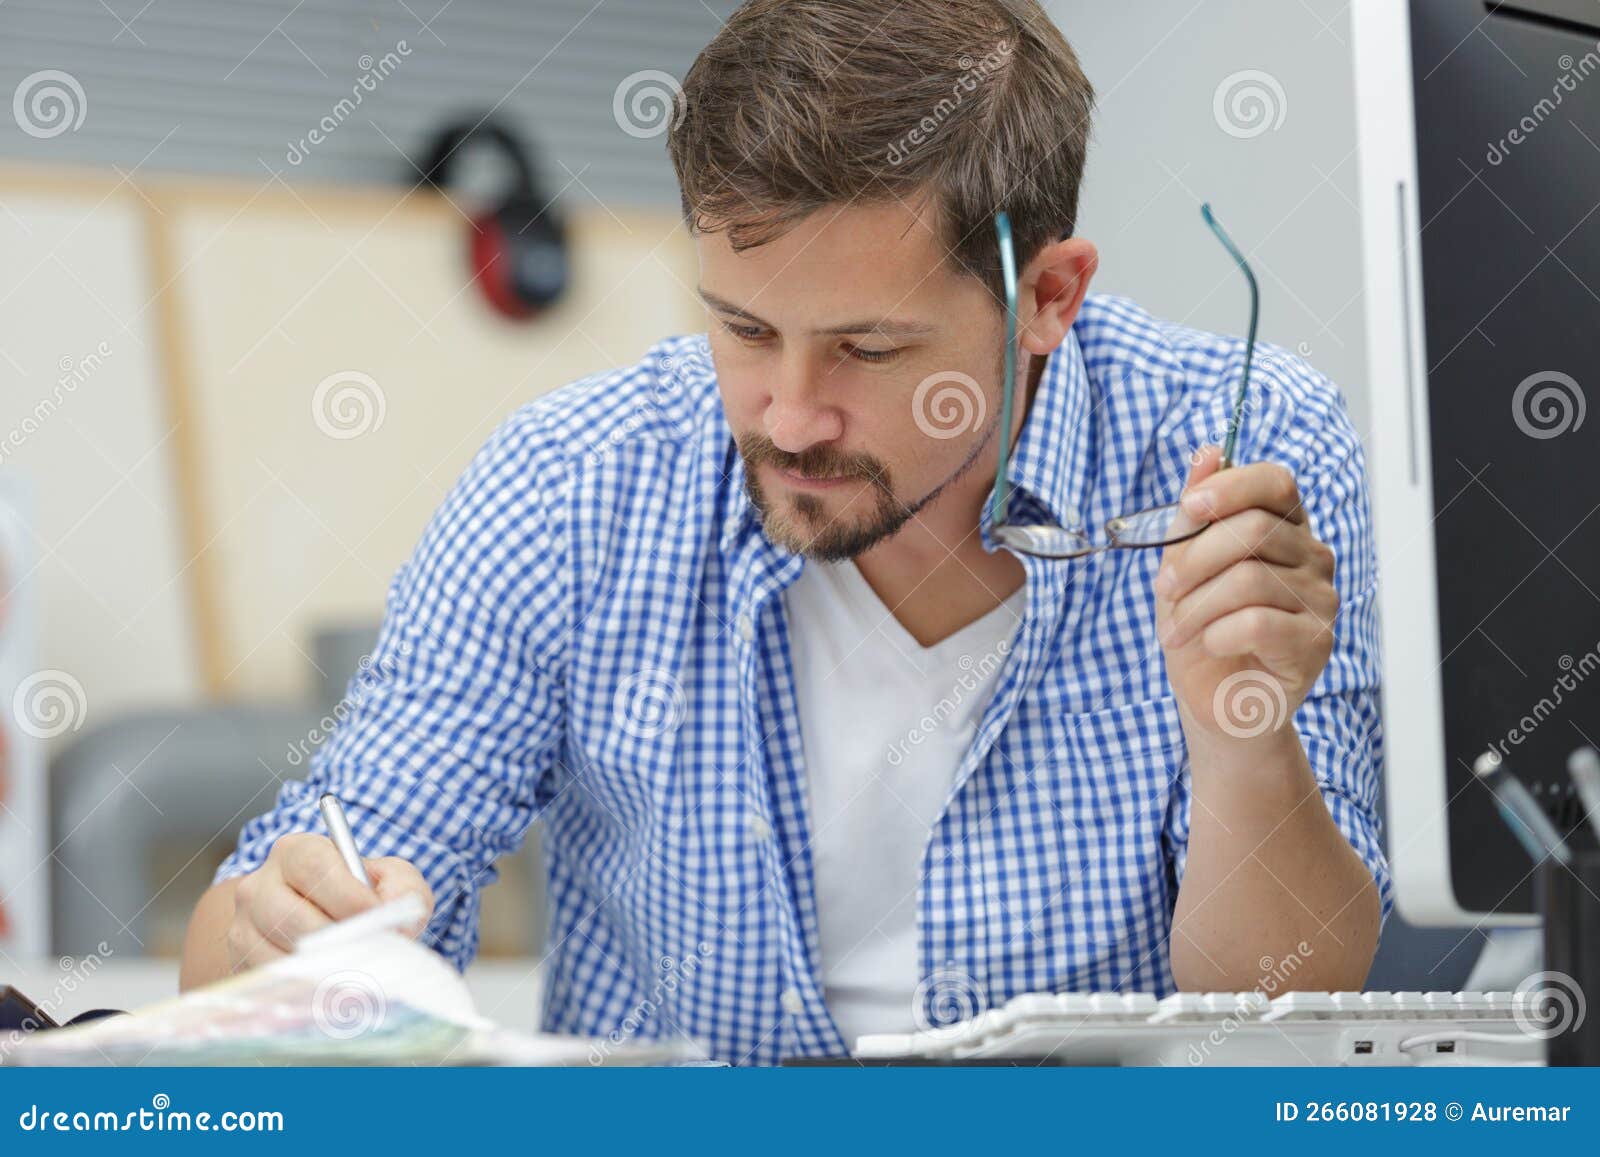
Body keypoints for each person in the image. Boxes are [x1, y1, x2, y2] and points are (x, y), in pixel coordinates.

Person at [181, 0, 1388, 1066]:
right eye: (745, 331)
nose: (791, 417)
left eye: (869, 349)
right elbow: (244, 961)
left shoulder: (1237, 450)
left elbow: (1283, 1006)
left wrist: (1244, 738)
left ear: (1046, 298)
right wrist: (289, 943)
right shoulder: (575, 486)